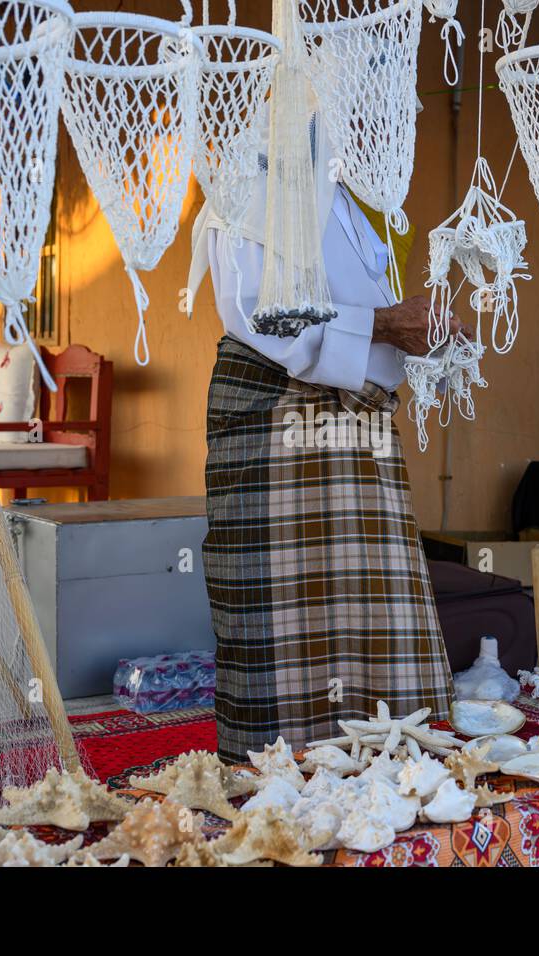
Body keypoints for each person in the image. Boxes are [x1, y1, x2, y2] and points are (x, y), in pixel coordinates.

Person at [186, 124, 459, 763]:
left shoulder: (345, 198)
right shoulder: (253, 180)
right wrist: (390, 324)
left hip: (357, 426)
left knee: (380, 620)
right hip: (279, 423)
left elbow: (356, 321)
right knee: (287, 627)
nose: (399, 114)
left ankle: (386, 779)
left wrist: (416, 335)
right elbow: (264, 315)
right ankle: (284, 791)